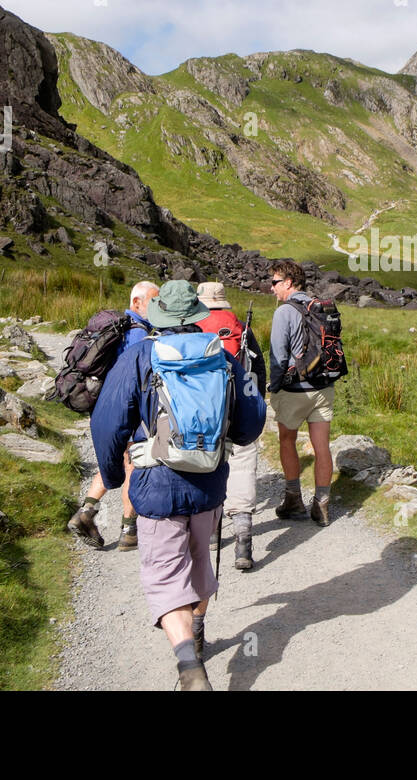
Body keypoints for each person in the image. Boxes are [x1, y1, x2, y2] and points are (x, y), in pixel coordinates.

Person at [90, 281, 264, 691]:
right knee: (199, 556)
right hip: (209, 484)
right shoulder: (221, 357)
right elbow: (251, 421)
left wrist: (114, 479)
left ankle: (189, 666)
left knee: (166, 573)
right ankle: (198, 629)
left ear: (161, 317)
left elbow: (107, 422)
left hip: (156, 484)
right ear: (197, 317)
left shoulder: (139, 356)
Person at [67, 280, 159, 551]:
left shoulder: (118, 329)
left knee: (117, 461)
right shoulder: (138, 334)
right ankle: (129, 531)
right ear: (136, 303)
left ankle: (86, 512)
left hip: (104, 408)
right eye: (153, 302)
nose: (157, 307)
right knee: (133, 463)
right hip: (126, 410)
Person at [196, 281, 266, 571]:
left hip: (204, 412)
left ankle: (211, 534)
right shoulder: (240, 327)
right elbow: (258, 373)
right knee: (243, 464)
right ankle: (243, 539)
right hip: (239, 406)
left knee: (210, 467)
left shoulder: (193, 328)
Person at [267, 260, 336, 526]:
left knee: (287, 440)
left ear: (288, 283)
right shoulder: (319, 307)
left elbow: (278, 356)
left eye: (274, 282)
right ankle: (322, 505)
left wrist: (274, 386)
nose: (272, 288)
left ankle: (294, 500)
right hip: (324, 387)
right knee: (322, 447)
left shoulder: (285, 312)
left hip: (295, 388)